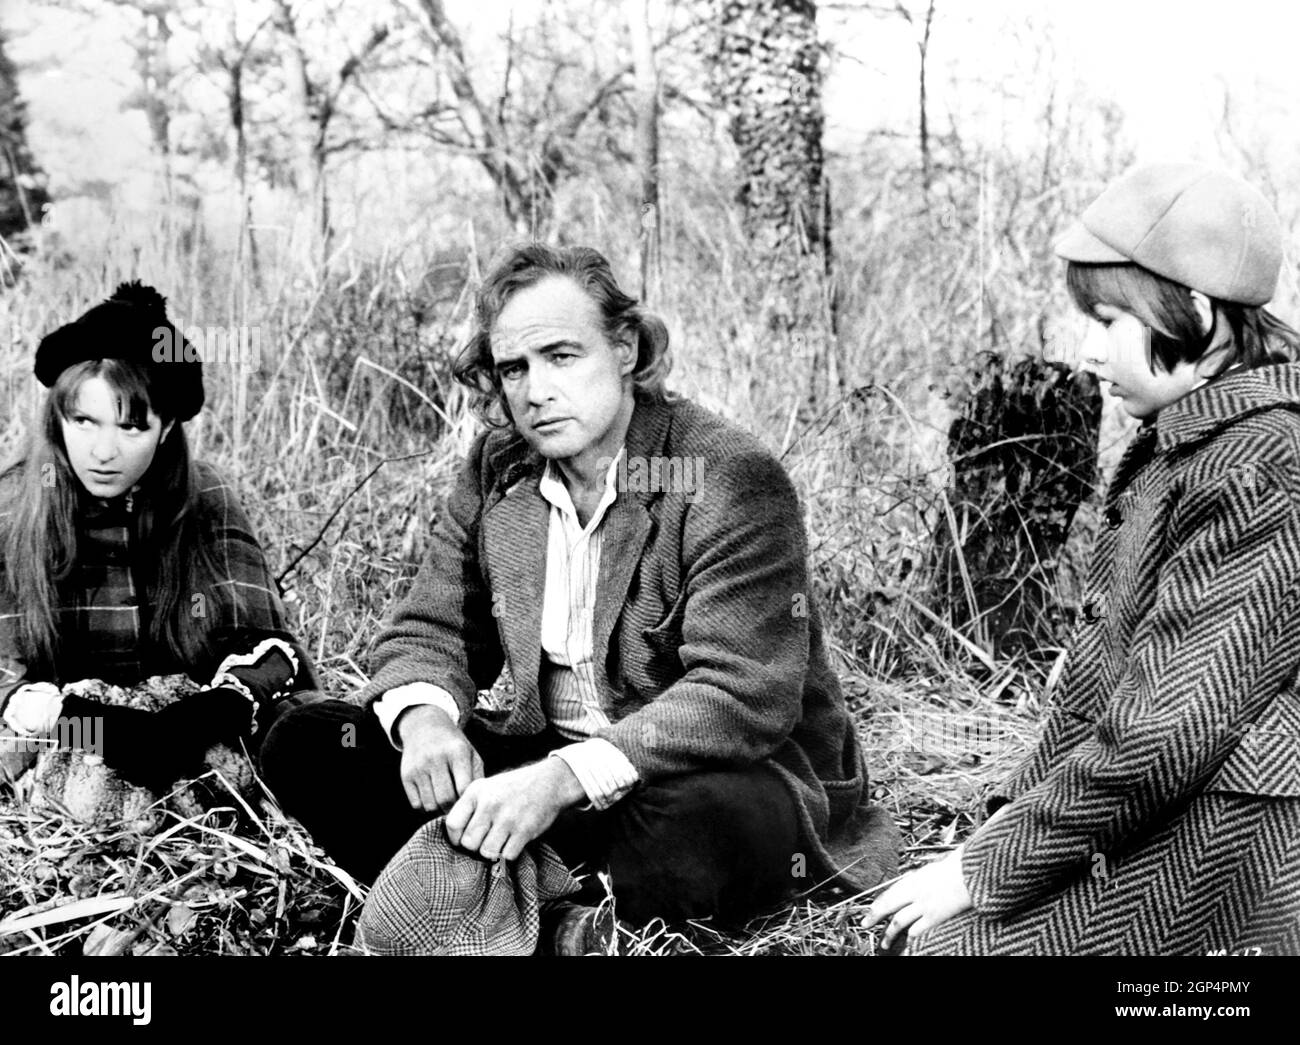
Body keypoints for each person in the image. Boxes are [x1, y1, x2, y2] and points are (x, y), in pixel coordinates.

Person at [261, 244, 899, 947]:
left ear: (624, 348)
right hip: (552, 767)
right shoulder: (498, 469)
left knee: (693, 826)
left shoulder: (725, 474)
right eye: (514, 368)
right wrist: (425, 724)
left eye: (562, 357)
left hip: (712, 775)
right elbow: (430, 625)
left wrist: (558, 781)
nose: (535, 391)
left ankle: (488, 902)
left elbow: (740, 694)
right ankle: (567, 924)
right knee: (310, 740)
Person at [867, 163, 1300, 955]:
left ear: (1197, 314)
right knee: (913, 940)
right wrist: (1004, 825)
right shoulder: (1191, 442)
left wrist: (980, 868)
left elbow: (1170, 726)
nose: (1089, 352)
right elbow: (1099, 688)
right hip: (1168, 798)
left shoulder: (1256, 462)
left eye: (1107, 320)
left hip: (1235, 837)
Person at [0, 282, 317, 793]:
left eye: (131, 428)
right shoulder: (12, 504)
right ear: (57, 419)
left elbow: (272, 649)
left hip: (191, 720)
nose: (104, 451)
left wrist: (199, 718)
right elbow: (4, 679)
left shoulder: (205, 494)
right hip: (55, 730)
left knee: (312, 725)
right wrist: (93, 725)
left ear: (166, 428)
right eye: (84, 421)